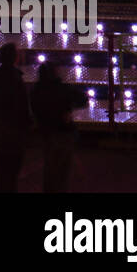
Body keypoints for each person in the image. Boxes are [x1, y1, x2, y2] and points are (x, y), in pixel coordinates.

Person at [30, 62, 86, 192]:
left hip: (47, 133)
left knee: (50, 169)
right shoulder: (62, 88)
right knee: (63, 171)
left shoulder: (36, 91)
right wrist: (68, 109)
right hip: (63, 132)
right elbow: (82, 99)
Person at [0, 42, 31, 193]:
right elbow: (21, 105)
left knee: (2, 164)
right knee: (11, 166)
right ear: (14, 57)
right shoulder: (15, 78)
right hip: (12, 129)